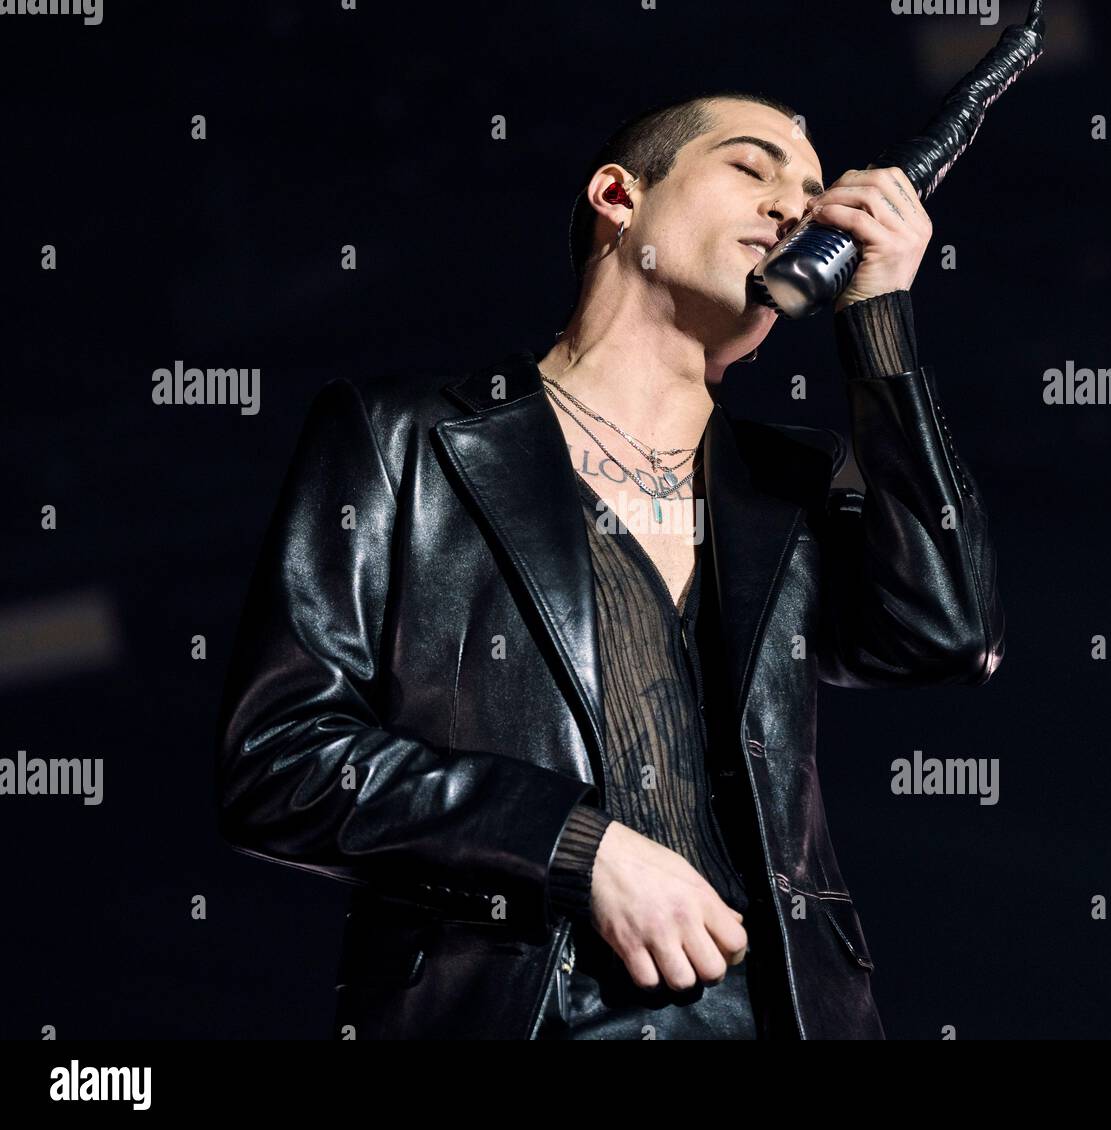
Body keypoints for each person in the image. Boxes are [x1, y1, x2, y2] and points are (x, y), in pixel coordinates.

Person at [215, 89, 1005, 1040]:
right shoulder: (404, 439)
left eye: (811, 200)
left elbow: (944, 635)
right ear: (617, 197)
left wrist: (879, 322)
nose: (796, 210)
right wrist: (572, 848)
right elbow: (279, 760)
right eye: (752, 169)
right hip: (521, 1011)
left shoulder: (792, 485)